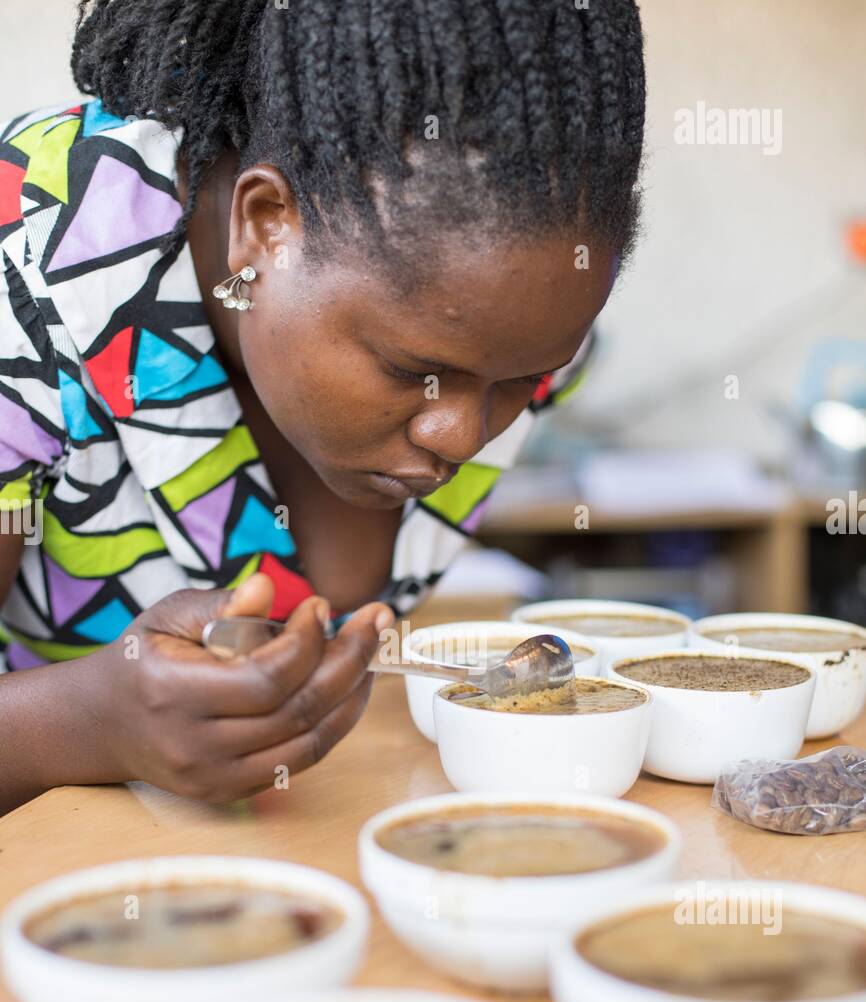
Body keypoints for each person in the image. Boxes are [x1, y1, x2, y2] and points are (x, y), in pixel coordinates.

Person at [0, 0, 645, 812]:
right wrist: (85, 723)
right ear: (267, 225)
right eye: (415, 370)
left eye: (525, 379)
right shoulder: (31, 276)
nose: (464, 434)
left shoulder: (522, 319)